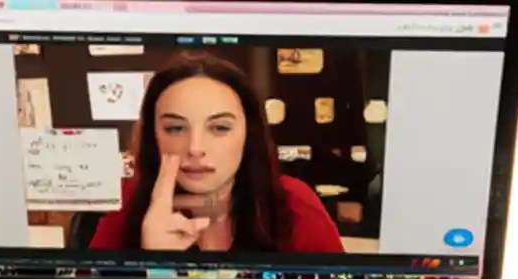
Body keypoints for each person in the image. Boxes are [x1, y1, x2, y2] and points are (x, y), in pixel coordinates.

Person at [87, 53, 345, 253]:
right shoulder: (128, 201)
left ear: (248, 134)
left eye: (220, 128)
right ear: (154, 136)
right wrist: (152, 264)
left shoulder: (293, 203)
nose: (195, 148)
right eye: (175, 128)